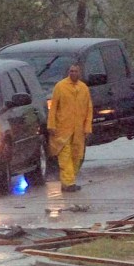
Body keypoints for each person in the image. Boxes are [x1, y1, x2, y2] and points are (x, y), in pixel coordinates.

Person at [47, 63, 93, 192]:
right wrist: (51, 125)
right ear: (68, 72)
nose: (73, 73)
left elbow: (89, 109)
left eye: (76, 71)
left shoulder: (84, 88)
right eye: (71, 71)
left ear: (80, 73)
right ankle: (68, 183)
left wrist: (87, 128)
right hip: (63, 129)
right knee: (65, 155)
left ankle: (69, 179)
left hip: (79, 130)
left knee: (77, 155)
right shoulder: (60, 87)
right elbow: (53, 108)